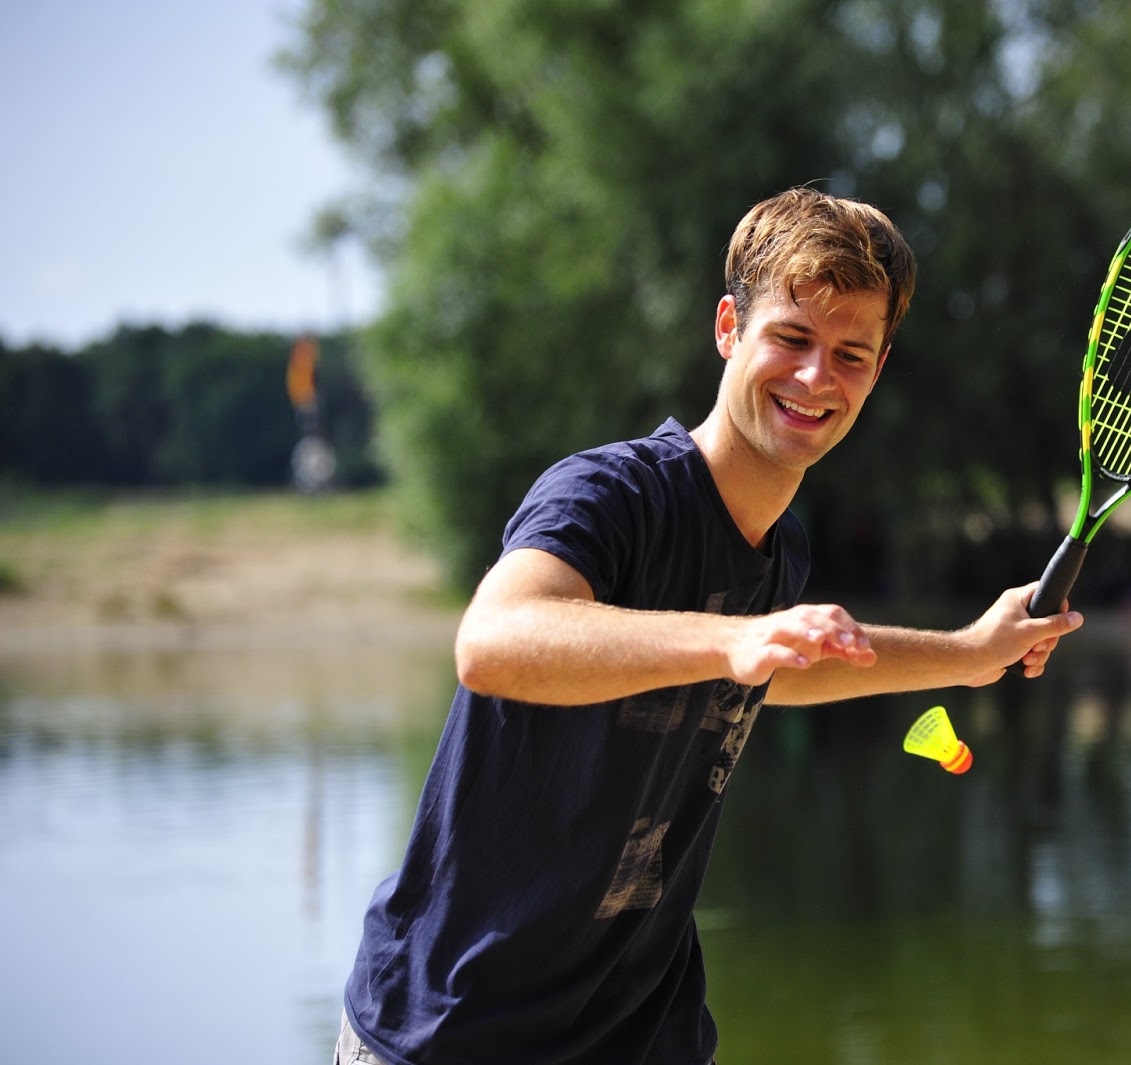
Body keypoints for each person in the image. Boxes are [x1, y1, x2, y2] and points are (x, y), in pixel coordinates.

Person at [335, 187, 1085, 1065]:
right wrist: (731, 639)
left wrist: (964, 655)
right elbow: (493, 643)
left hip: (642, 1032)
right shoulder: (610, 494)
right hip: (453, 1029)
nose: (816, 378)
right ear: (730, 327)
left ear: (877, 371)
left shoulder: (779, 552)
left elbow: (780, 667)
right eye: (792, 338)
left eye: (850, 353)